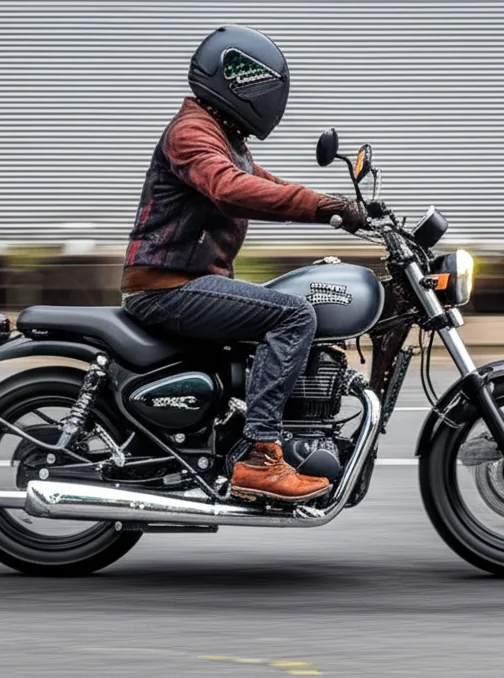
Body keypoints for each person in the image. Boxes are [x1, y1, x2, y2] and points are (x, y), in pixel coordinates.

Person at [121, 25, 368, 503]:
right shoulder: (192, 132)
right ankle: (260, 457)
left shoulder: (223, 137)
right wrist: (323, 206)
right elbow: (230, 187)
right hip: (166, 287)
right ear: (236, 83)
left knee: (283, 302)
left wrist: (339, 207)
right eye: (260, 84)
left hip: (189, 282)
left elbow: (267, 185)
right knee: (295, 314)